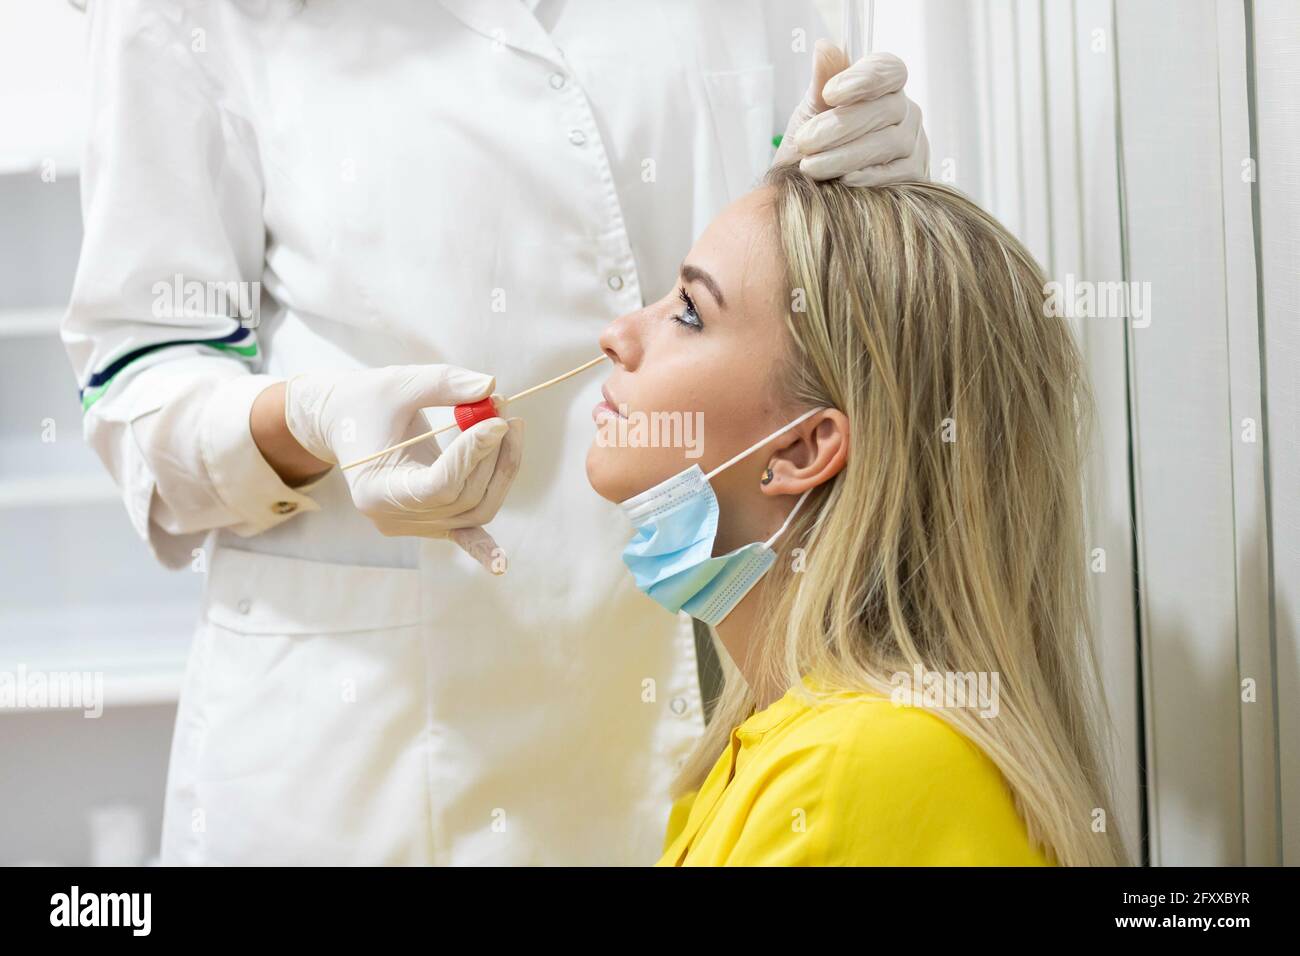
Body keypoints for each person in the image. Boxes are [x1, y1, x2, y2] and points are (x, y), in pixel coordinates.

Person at [61, 0, 929, 864]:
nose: (617, 339)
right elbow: (139, 381)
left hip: (722, 710)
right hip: (374, 761)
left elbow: (809, 275)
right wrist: (306, 420)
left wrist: (876, 198)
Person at [586, 164, 1132, 866]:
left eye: (689, 310)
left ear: (803, 447)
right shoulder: (756, 755)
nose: (618, 333)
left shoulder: (850, 769)